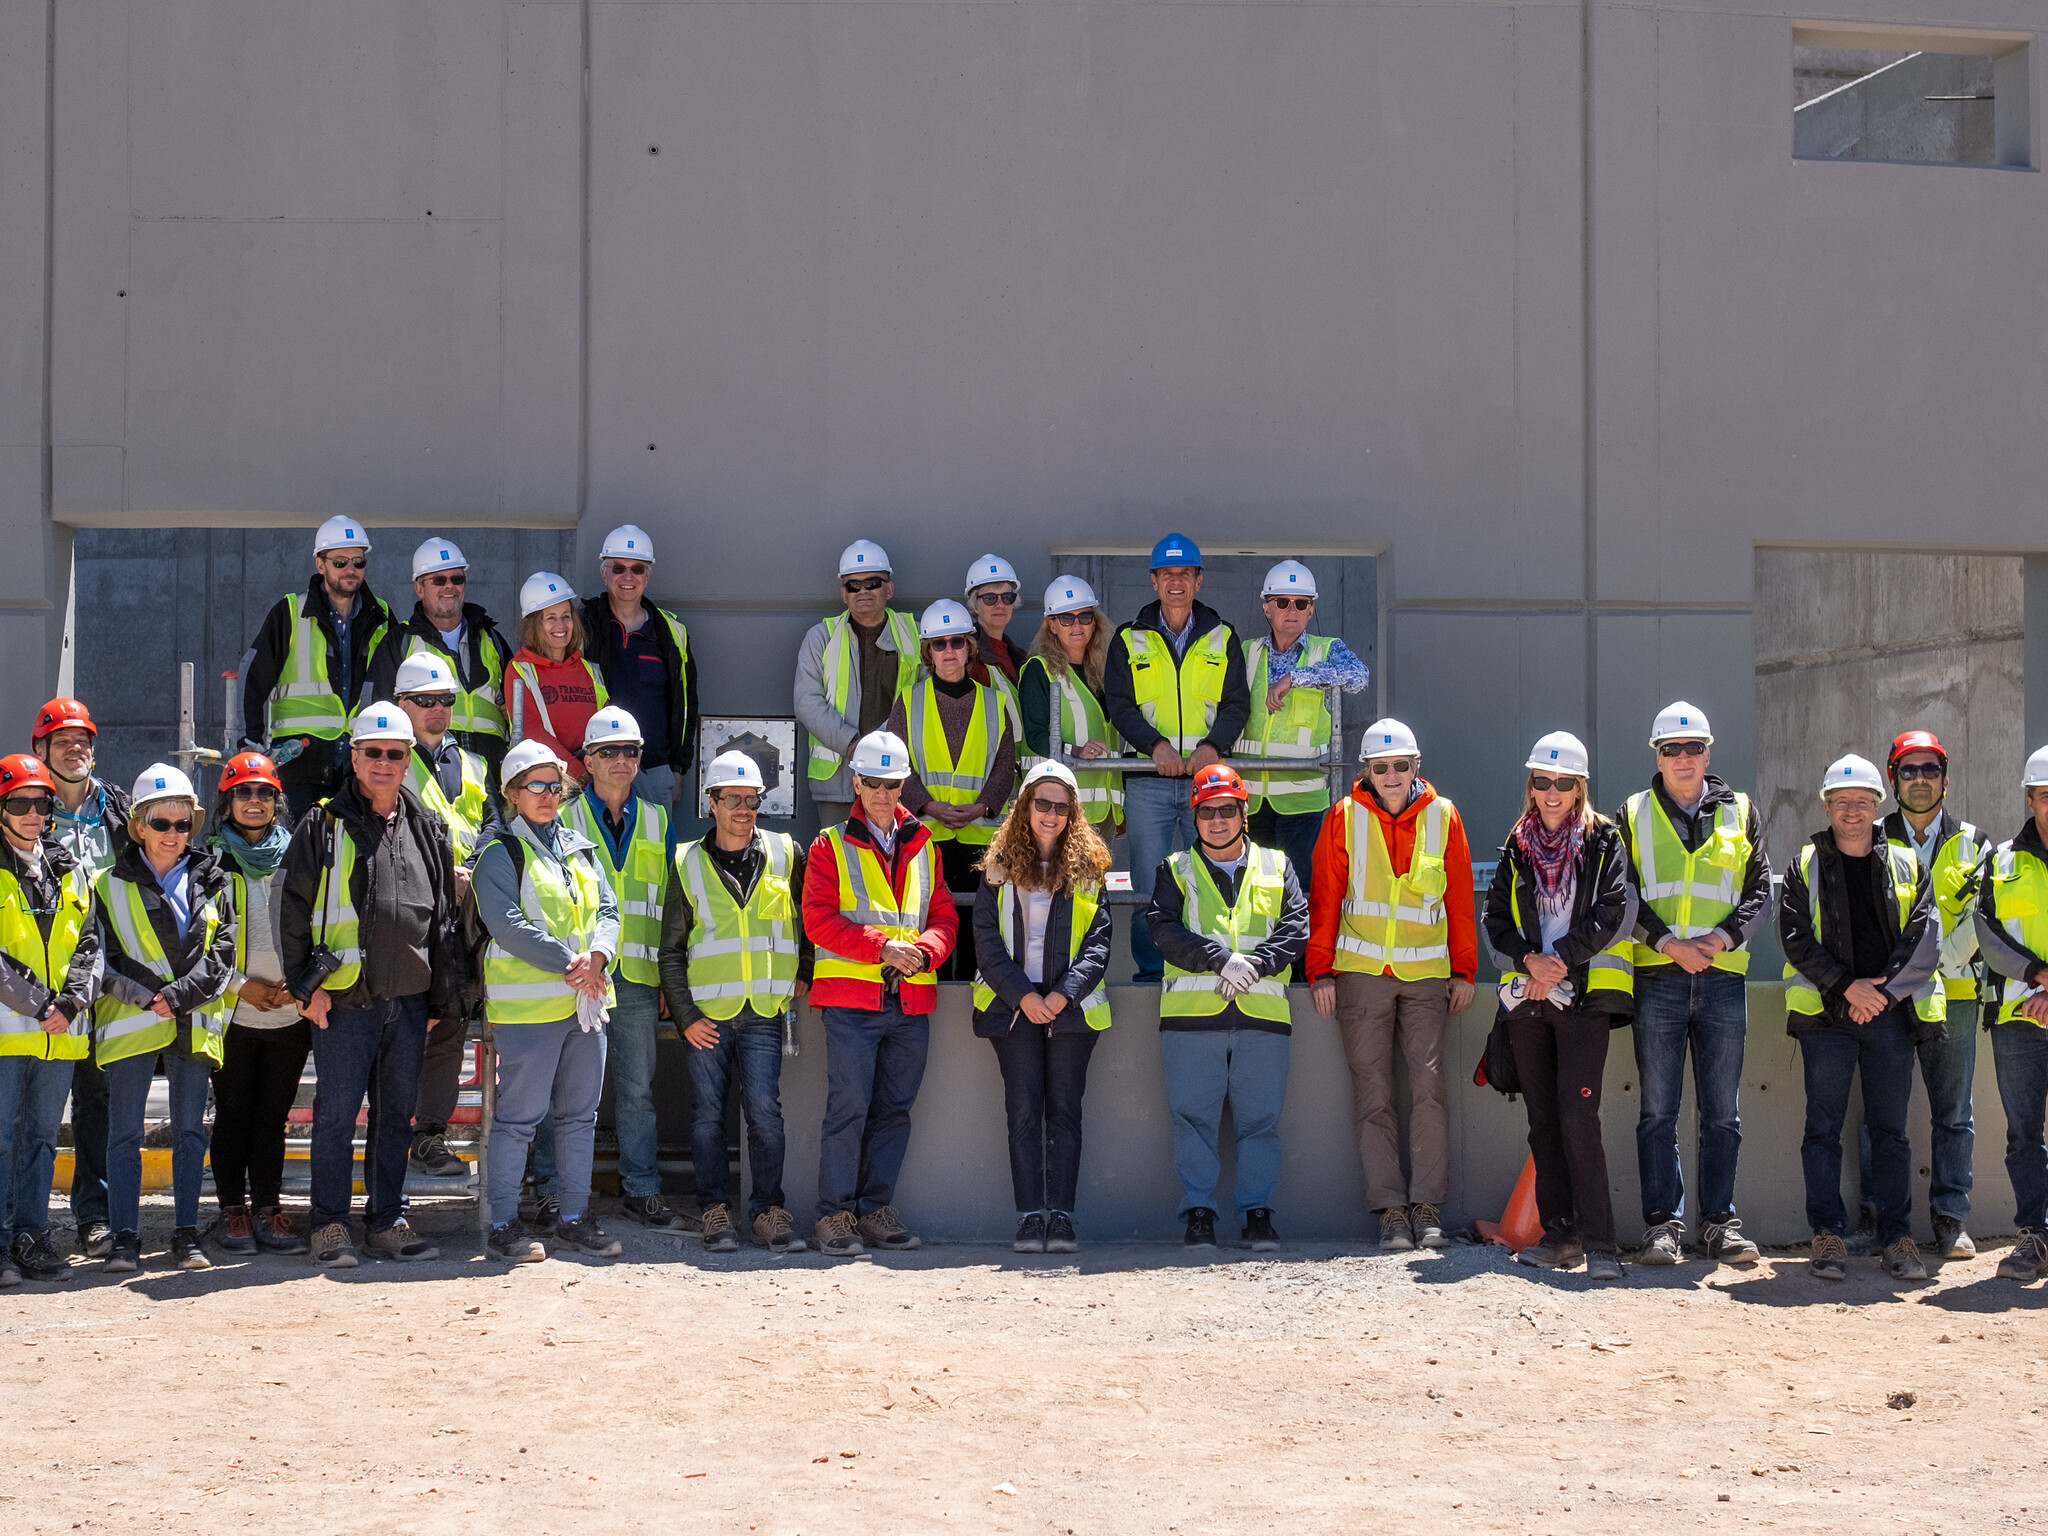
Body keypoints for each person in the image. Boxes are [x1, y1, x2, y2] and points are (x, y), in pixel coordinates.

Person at [279, 706, 466, 1269]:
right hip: (342, 999)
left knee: (395, 1115)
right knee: (336, 1115)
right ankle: (331, 1225)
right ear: (355, 757)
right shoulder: (322, 823)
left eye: (395, 754)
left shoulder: (428, 827)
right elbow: (291, 908)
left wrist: (439, 1000)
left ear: (409, 760)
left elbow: (442, 922)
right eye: (373, 753)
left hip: (408, 1000)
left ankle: (387, 1220)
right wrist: (301, 988)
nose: (384, 764)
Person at [1306, 718, 1477, 1252]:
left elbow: (1460, 900)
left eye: (1401, 766)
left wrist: (1464, 970)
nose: (1393, 775)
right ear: (1367, 772)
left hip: (1427, 977)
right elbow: (1325, 897)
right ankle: (1390, 1212)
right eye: (1382, 768)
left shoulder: (1444, 816)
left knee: (1428, 1089)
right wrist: (1320, 971)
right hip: (1360, 978)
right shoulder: (1343, 818)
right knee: (1374, 1093)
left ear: (1415, 767)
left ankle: (1427, 1208)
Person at [1616, 701, 1769, 1267]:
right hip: (1658, 975)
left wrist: (1722, 940)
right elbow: (1622, 891)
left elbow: (1759, 892)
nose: (1683, 758)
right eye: (1671, 749)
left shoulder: (1743, 812)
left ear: (1709, 752)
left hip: (1723, 978)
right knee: (1657, 1109)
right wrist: (1667, 944)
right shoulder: (1631, 812)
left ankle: (1720, 1224)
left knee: (1722, 1111)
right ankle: (1662, 1226)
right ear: (1657, 756)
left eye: (1693, 748)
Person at [1779, 754, 1942, 1283]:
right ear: (1827, 806)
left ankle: (1897, 1237)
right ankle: (1827, 1234)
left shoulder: (1907, 863)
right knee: (1822, 1128)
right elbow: (1795, 938)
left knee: (1890, 1130)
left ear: (1878, 806)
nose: (1853, 811)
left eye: (1863, 802)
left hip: (1889, 1017)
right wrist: (1848, 987)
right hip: (1827, 1017)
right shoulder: (1802, 865)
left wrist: (1883, 994)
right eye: (1843, 802)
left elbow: (1924, 938)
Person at [1482, 733, 1635, 1281]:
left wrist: (1558, 962)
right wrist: (1529, 961)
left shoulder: (1603, 841)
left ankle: (1603, 1246)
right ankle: (1560, 1235)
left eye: (1562, 783)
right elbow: (1494, 920)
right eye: (1542, 782)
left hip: (1583, 999)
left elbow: (1614, 911)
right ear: (1531, 786)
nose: (1551, 792)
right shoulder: (1516, 845)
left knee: (1578, 1119)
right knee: (1543, 1123)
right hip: (1529, 1001)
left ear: (1579, 788)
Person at [803, 730, 958, 1257]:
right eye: (872, 783)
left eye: (891, 785)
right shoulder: (829, 845)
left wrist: (927, 952)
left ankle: (874, 1210)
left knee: (894, 1110)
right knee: (848, 1108)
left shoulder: (924, 844)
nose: (882, 794)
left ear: (903, 785)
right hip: (852, 1002)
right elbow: (818, 920)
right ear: (856, 782)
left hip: (910, 1002)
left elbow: (943, 916)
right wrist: (883, 949)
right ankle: (834, 1215)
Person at [1145, 764, 1308, 1251]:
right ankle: (1199, 1213)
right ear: (1194, 818)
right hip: (1192, 1021)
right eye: (1207, 812)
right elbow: (1164, 929)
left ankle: (1258, 1214)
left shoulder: (1278, 866)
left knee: (1261, 1123)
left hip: (1263, 1019)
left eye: (1227, 810)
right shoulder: (1174, 869)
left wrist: (1254, 965)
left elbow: (1296, 927)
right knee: (1192, 1119)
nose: (1218, 820)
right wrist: (1221, 960)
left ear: (1244, 814)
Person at [475, 739, 623, 1264]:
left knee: (580, 1118)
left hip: (584, 1005)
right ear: (512, 793)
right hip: (530, 1011)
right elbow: (506, 924)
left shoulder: (579, 847)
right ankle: (501, 1224)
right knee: (519, 1120)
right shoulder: (500, 851)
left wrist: (600, 955)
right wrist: (573, 964)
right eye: (534, 785)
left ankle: (574, 1219)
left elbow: (609, 907)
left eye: (553, 785)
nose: (547, 794)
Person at [661, 750, 813, 1253]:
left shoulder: (786, 852)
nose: (744, 809)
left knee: (766, 1113)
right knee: (707, 1115)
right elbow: (671, 951)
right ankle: (714, 1211)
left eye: (752, 800)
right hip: (707, 1015)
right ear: (711, 802)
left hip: (766, 1012)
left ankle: (768, 1212)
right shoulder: (686, 861)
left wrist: (804, 972)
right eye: (733, 799)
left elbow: (808, 919)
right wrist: (685, 1017)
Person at [93, 765, 238, 1273]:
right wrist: (148, 995)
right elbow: (98, 957)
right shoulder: (104, 884)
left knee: (190, 1134)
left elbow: (223, 955)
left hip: (189, 1019)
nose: (173, 835)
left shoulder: (214, 879)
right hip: (132, 1020)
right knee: (124, 1135)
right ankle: (124, 1239)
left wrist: (176, 997)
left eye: (183, 824)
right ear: (138, 826)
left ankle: (185, 1234)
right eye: (161, 824)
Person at [972, 761, 1113, 1254]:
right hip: (1013, 1008)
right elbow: (986, 941)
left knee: (1065, 1114)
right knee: (1024, 1112)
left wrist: (1060, 995)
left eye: (1061, 806)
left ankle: (1063, 1219)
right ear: (1026, 807)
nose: (1050, 815)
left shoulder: (1090, 869)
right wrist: (1025, 997)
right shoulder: (997, 867)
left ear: (1073, 813)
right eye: (1042, 804)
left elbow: (1098, 945)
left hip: (1069, 1009)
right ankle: (1032, 1216)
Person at [1104, 533, 1252, 983]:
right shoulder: (1129, 638)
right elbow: (1119, 704)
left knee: (1207, 876)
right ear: (1153, 581)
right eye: (1167, 574)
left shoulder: (1223, 637)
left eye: (1184, 574)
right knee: (1149, 885)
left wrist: (1211, 749)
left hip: (1205, 784)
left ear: (1198, 581)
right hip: (1148, 779)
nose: (1176, 582)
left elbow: (1237, 704)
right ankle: (1152, 972)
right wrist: (1155, 746)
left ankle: (1206, 968)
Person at [560, 706, 685, 1230]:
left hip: (637, 978)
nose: (620, 761)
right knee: (566, 1094)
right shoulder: (562, 818)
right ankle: (553, 1191)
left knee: (637, 1092)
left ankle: (642, 1190)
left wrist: (667, 981)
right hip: (575, 977)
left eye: (630, 751)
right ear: (587, 760)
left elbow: (675, 908)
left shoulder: (658, 820)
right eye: (608, 752)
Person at [389, 651, 503, 1179]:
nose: (438, 709)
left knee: (453, 1021)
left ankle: (429, 1134)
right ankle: (392, 1129)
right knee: (407, 1020)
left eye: (445, 700)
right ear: (402, 704)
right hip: (411, 908)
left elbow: (491, 823)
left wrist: (473, 869)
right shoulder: (390, 758)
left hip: (462, 911)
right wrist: (442, 874)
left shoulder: (473, 762)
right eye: (425, 700)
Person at [1873, 729, 1982, 1260]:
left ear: (1946, 776)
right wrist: (1903, 974)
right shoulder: (1869, 836)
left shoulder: (1976, 845)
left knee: (1953, 1113)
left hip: (1955, 996)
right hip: (1889, 998)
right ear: (1893, 778)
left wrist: (1929, 964)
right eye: (1909, 770)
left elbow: (1983, 921)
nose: (1920, 779)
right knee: (1882, 1113)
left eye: (1930, 769)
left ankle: (1950, 1218)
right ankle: (1882, 1221)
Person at [201, 752, 312, 1257]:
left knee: (274, 1115)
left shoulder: (300, 855)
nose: (254, 800)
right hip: (234, 1010)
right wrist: (239, 985)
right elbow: (194, 939)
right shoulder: (208, 861)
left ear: (276, 802)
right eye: (243, 792)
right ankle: (233, 1212)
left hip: (290, 1009)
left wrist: (302, 984)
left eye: (264, 792)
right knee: (233, 1112)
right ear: (227, 803)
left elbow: (320, 926)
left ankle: (268, 1208)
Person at [28, 696, 124, 1258]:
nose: (75, 747)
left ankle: (93, 1214)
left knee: (98, 1099)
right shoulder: (23, 807)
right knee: (29, 1107)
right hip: (40, 982)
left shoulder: (119, 807)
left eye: (83, 738)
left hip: (108, 979)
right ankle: (23, 1221)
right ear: (41, 748)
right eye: (62, 739)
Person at [0, 755, 101, 1284]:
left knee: (41, 1139)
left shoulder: (69, 868)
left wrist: (70, 1003)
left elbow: (90, 944)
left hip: (59, 1034)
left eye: (41, 803)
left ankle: (30, 1235)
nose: (34, 813)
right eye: (21, 804)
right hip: (10, 1033)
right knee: (1, 1139)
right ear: (2, 810)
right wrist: (40, 1004)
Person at [887, 599, 1017, 979]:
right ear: (928, 651)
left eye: (957, 642)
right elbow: (898, 764)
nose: (949, 652)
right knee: (931, 926)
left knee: (980, 931)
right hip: (926, 836)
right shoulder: (909, 701)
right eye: (939, 644)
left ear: (969, 648)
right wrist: (928, 804)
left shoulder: (995, 702)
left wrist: (982, 807)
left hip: (981, 838)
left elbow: (1004, 766)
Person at [241, 515, 397, 820]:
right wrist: (249, 741)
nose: (350, 570)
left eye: (358, 562)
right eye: (340, 562)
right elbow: (252, 676)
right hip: (300, 764)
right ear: (320, 563)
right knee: (300, 857)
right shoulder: (290, 612)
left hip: (360, 762)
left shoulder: (381, 615)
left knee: (357, 859)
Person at [1236, 560, 1370, 890]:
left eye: (1302, 603)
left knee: (1300, 895)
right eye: (1282, 602)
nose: (1292, 610)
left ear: (1311, 611)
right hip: (1251, 802)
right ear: (1267, 607)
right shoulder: (1246, 651)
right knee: (1257, 893)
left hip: (1304, 803)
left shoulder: (1327, 650)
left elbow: (1358, 678)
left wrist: (1296, 678)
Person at [1974, 744, 2048, 1282]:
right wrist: (2041, 978)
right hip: (2020, 1016)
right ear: (2029, 800)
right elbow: (1988, 935)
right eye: (2046, 797)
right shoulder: (2000, 860)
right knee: (2024, 1132)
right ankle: (2033, 1237)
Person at [366, 537, 517, 784]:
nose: (450, 587)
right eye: (439, 580)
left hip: (492, 764)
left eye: (457, 579)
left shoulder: (492, 639)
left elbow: (518, 708)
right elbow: (378, 707)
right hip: (428, 766)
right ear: (419, 588)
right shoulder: (399, 642)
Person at [795, 540, 922, 830]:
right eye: (853, 585)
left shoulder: (915, 633)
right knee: (838, 862)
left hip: (896, 778)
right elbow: (806, 701)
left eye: (873, 582)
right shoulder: (821, 637)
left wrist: (882, 749)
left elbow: (924, 699)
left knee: (893, 864)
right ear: (843, 593)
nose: (863, 591)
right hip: (839, 781)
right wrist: (852, 744)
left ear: (889, 588)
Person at [580, 525, 699, 809]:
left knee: (655, 850)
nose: (628, 577)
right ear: (604, 573)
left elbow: (686, 707)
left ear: (648, 575)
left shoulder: (672, 632)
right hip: (597, 766)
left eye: (638, 568)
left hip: (655, 770)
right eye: (618, 568)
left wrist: (679, 768)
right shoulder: (582, 627)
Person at [1018, 575, 1123, 831]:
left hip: (1105, 807)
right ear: (1052, 626)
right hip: (1060, 807)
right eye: (1066, 618)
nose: (1077, 625)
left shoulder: (1105, 670)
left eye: (1085, 617)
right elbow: (1035, 736)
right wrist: (1075, 751)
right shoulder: (1039, 670)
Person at [504, 571, 608, 790]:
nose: (561, 625)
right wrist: (578, 773)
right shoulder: (520, 669)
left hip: (593, 780)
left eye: (566, 616)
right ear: (534, 625)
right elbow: (531, 731)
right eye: (550, 618)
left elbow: (606, 725)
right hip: (547, 784)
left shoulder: (589, 670)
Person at [963, 553, 1029, 733]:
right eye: (990, 598)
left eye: (1007, 598)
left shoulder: (1019, 657)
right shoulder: (968, 657)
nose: (1000, 605)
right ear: (975, 605)